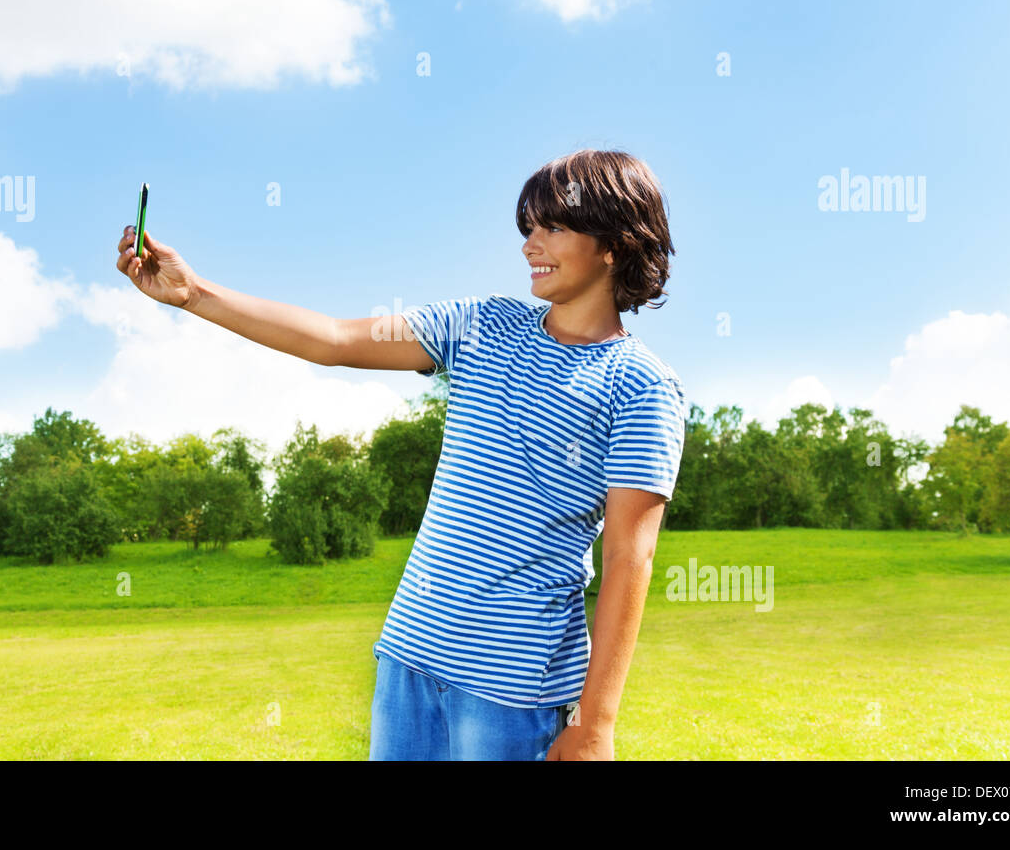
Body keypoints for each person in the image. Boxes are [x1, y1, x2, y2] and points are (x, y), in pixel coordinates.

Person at [115, 148, 686, 761]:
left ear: (614, 244)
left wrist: (595, 725)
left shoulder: (642, 385)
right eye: (528, 229)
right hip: (409, 656)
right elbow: (332, 340)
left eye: (553, 227)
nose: (530, 246)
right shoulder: (481, 325)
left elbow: (631, 555)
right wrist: (192, 292)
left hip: (513, 692)